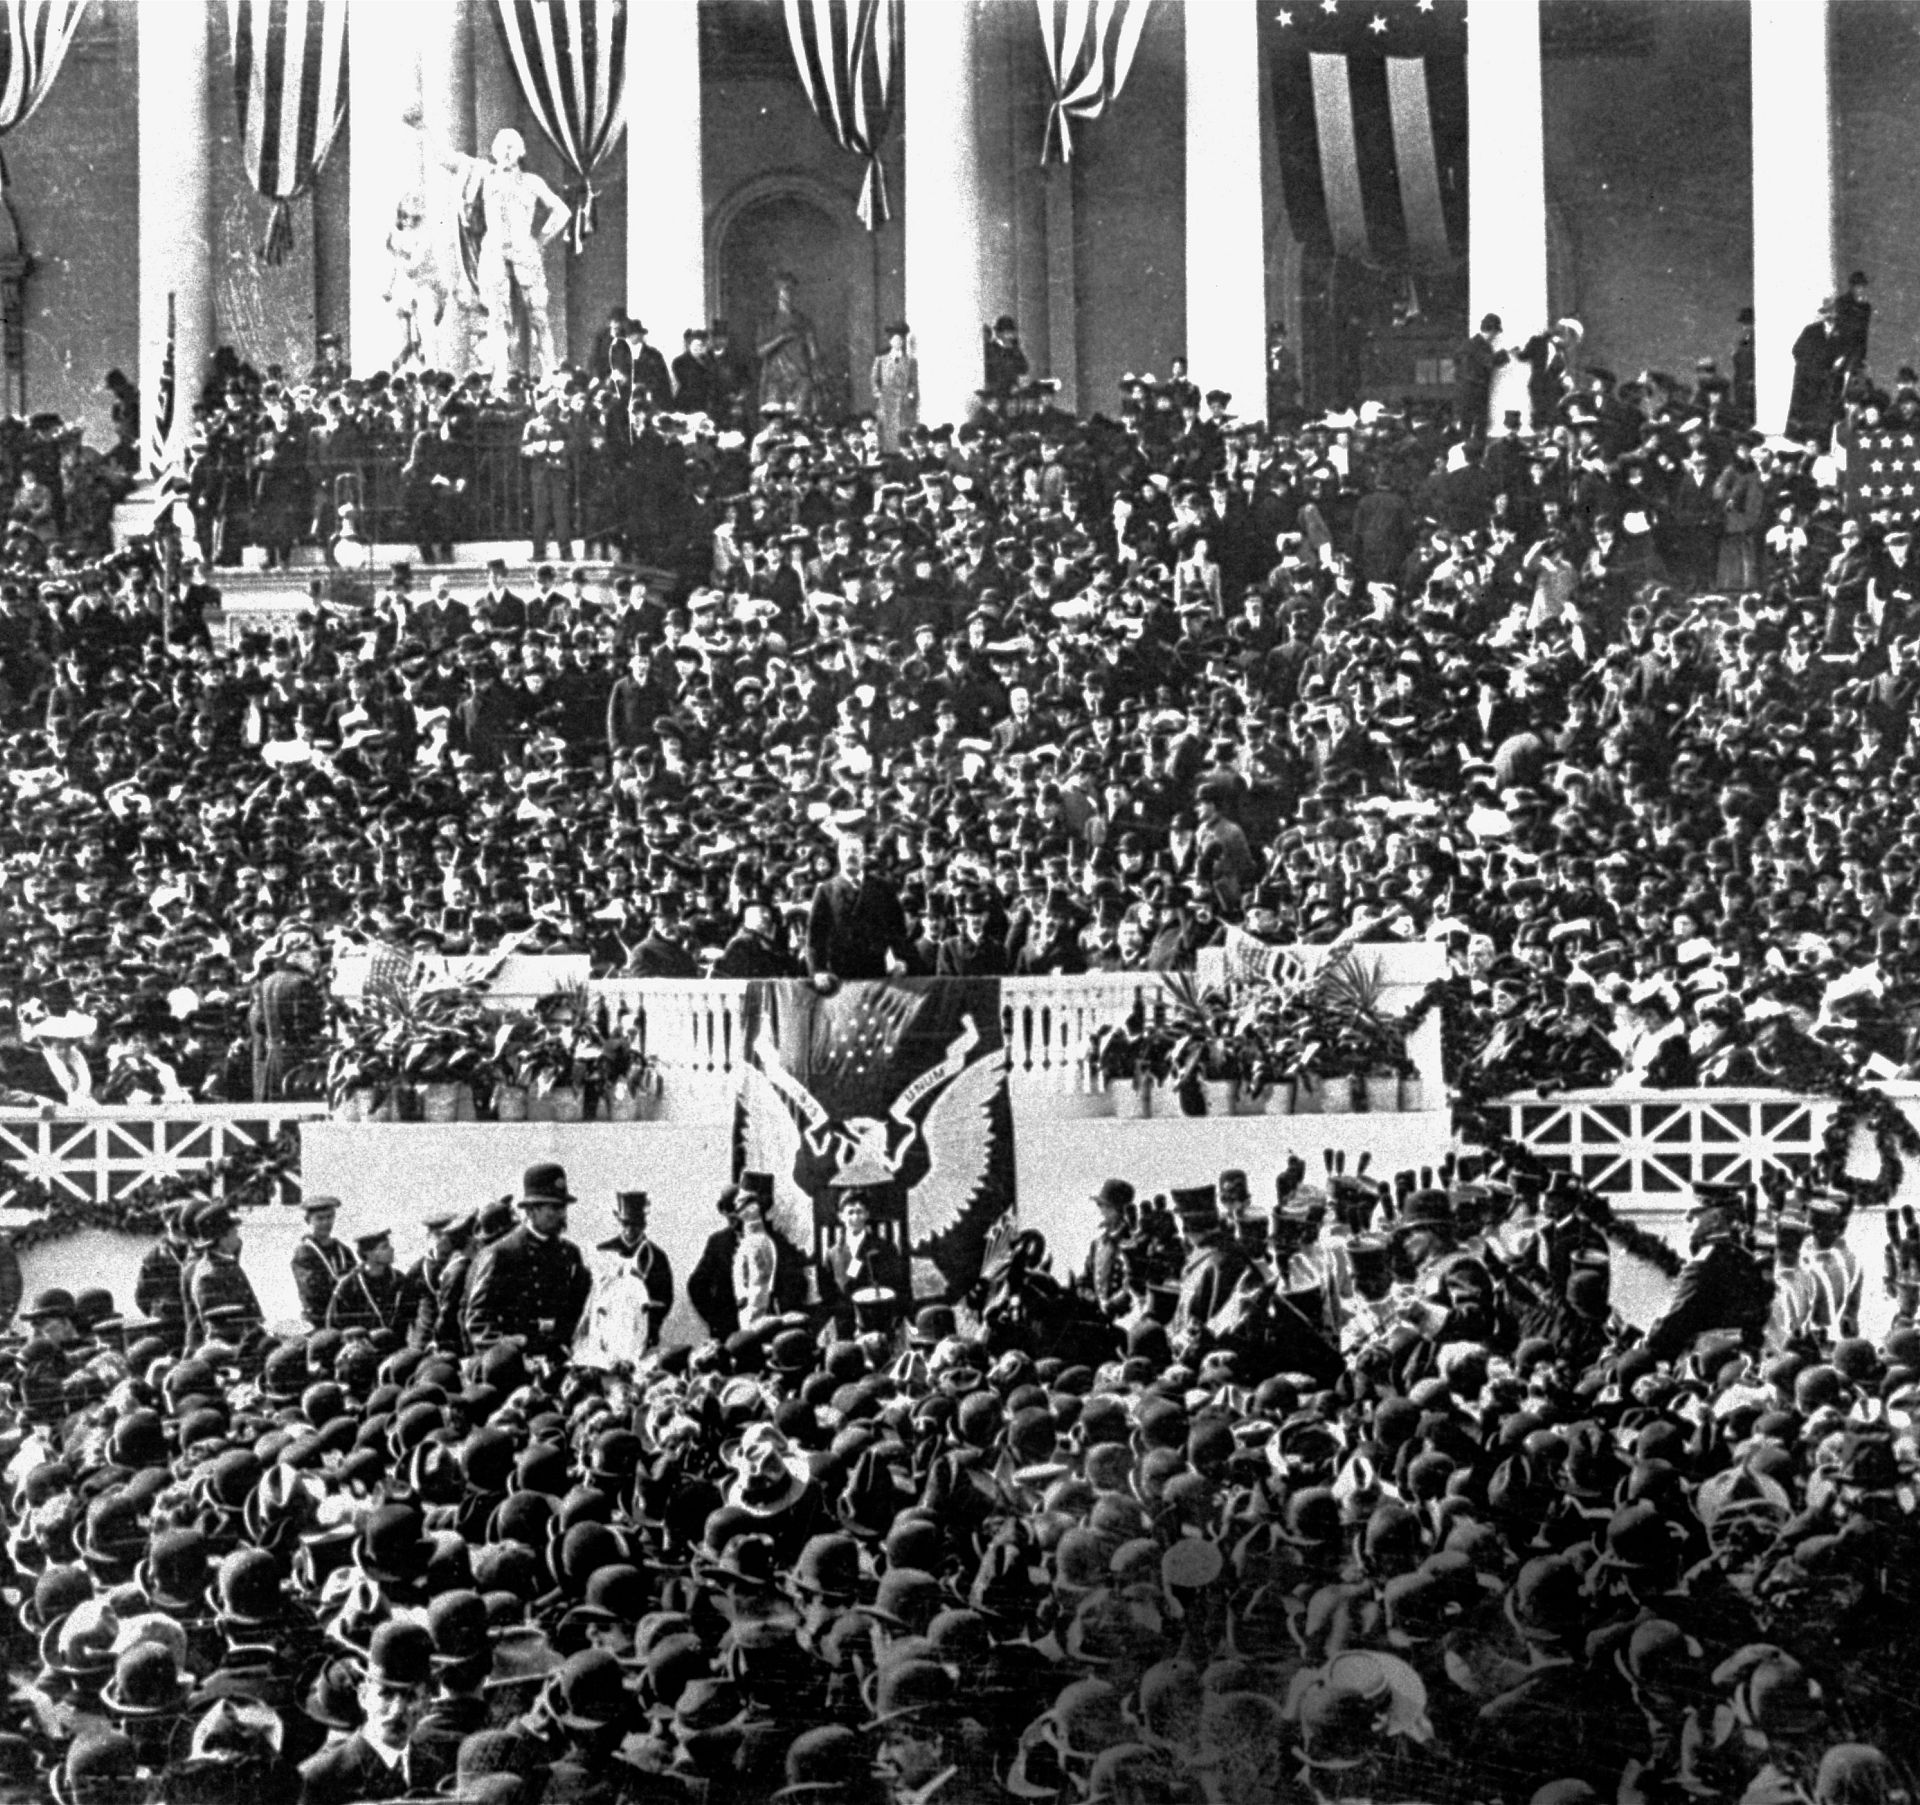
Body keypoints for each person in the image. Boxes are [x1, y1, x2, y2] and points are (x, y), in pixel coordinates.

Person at [408, 114, 571, 386]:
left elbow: (561, 211)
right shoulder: (482, 174)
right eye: (501, 146)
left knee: (538, 314)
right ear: (494, 151)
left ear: (520, 152)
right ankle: (501, 372)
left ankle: (550, 372)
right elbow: (446, 159)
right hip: (493, 248)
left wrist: (540, 240)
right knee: (496, 315)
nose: (506, 152)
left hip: (523, 250)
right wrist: (425, 128)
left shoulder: (531, 182)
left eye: (511, 147)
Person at [461, 1162, 593, 1361]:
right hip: (514, 1367)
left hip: (559, 1361)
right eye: (554, 1208)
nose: (562, 1215)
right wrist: (513, 1345)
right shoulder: (501, 1254)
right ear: (531, 1210)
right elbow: (478, 1324)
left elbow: (578, 1314)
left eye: (563, 1207)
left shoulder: (570, 1254)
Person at [575, 1189, 673, 1368]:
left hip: (642, 1336)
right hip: (605, 1336)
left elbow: (664, 1299)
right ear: (618, 1222)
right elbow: (588, 1296)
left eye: (635, 1225)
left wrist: (649, 1326)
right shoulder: (603, 1252)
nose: (629, 1230)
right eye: (625, 1224)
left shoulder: (656, 1257)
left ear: (643, 1225)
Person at [807, 832, 910, 982]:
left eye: (855, 851)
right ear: (839, 855)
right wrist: (818, 970)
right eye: (846, 851)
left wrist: (900, 959)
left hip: (876, 970)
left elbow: (897, 928)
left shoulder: (882, 887)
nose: (850, 855)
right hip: (839, 972)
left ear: (864, 855)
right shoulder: (826, 891)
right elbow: (815, 935)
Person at [817, 1188, 908, 1336]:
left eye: (859, 1212)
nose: (855, 1217)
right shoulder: (832, 1254)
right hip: (845, 1325)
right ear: (841, 1216)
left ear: (867, 1214)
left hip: (877, 1322)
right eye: (850, 1212)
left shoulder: (884, 1247)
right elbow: (826, 1291)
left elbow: (897, 1284)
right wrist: (839, 1312)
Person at [249, 934, 324, 1102]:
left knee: (277, 1113)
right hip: (298, 1060)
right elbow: (304, 1027)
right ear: (295, 956)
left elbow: (260, 1023)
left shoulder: (267, 981)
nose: (315, 961)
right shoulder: (302, 983)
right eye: (311, 955)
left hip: (274, 1057)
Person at [182, 1199, 264, 1353]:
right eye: (234, 1232)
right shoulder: (207, 1274)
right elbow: (218, 1326)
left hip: (240, 1342)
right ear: (222, 1238)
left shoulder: (227, 1264)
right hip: (221, 1350)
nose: (238, 1238)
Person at [326, 1229, 412, 1337]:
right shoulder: (348, 1286)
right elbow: (335, 1326)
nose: (392, 1249)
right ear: (369, 1254)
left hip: (397, 1343)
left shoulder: (399, 1280)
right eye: (384, 1247)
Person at [756, 272, 819, 418]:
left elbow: (813, 353)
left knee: (799, 423)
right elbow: (760, 351)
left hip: (800, 378)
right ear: (777, 292)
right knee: (775, 421)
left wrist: (814, 370)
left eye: (792, 290)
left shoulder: (804, 321)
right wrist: (781, 338)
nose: (789, 294)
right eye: (785, 289)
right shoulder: (768, 321)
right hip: (775, 380)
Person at [290, 1194, 355, 1329]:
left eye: (329, 1217)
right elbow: (313, 1291)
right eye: (319, 1219)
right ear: (308, 1220)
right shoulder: (304, 1253)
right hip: (317, 1320)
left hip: (344, 1318)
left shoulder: (343, 1251)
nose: (326, 1223)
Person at [870, 324, 919, 455]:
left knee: (902, 427)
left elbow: (913, 382)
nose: (898, 343)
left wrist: (910, 394)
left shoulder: (910, 361)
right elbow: (874, 378)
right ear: (890, 341)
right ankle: (887, 452)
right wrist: (878, 393)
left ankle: (901, 452)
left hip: (902, 400)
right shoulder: (881, 360)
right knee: (886, 427)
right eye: (895, 340)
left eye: (901, 340)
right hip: (886, 400)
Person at [1459, 313, 1507, 441]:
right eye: (1495, 333)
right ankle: (1470, 450)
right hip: (1472, 390)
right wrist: (1504, 354)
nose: (1495, 336)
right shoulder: (1475, 345)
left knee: (1476, 422)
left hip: (1474, 390)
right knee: (1473, 422)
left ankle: (1473, 449)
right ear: (1491, 330)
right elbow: (1487, 361)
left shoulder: (1474, 344)